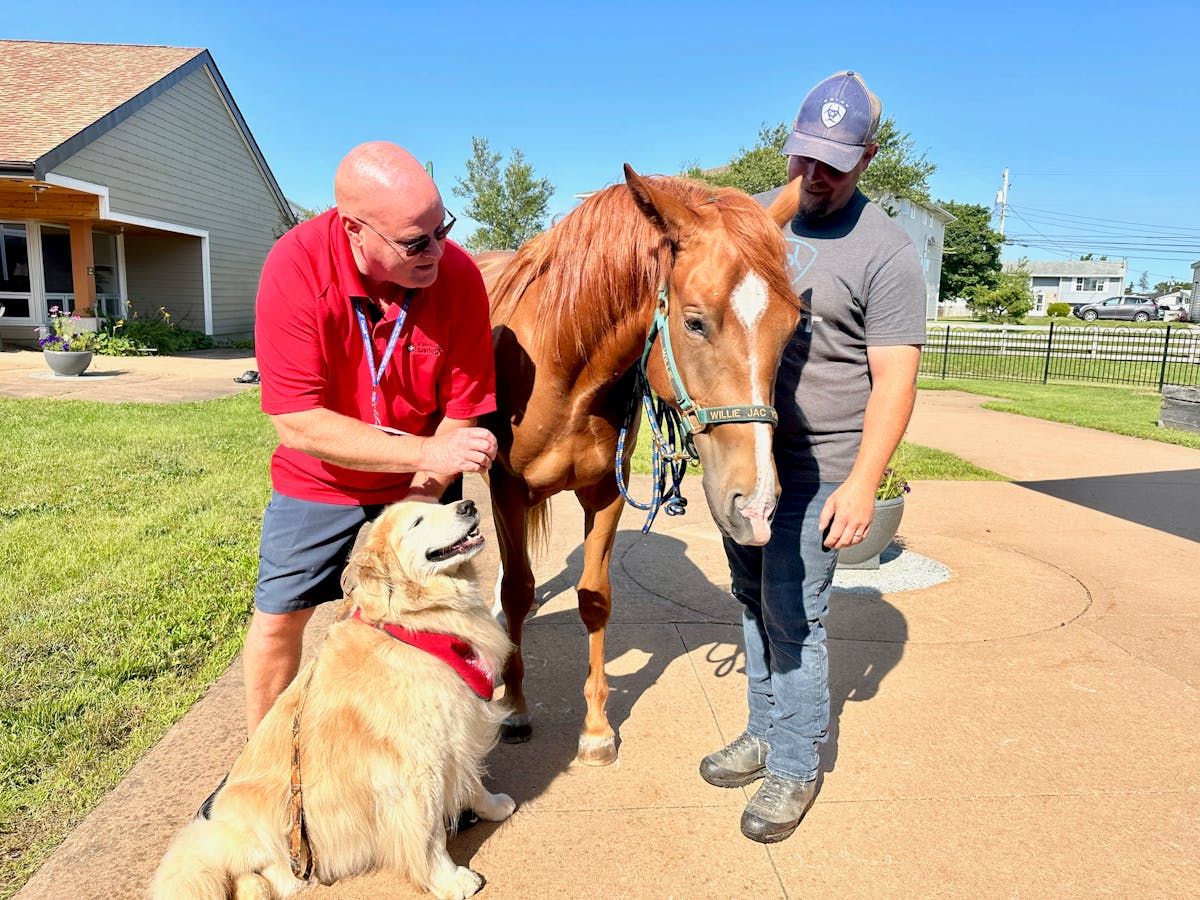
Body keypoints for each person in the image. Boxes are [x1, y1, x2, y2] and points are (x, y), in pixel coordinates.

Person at [700, 72, 927, 843]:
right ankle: (765, 730)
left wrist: (863, 484)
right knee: (752, 599)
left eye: (836, 160)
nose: (816, 175)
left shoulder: (887, 252)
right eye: (805, 157)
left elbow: (896, 379)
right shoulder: (767, 215)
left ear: (867, 156)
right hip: (747, 455)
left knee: (796, 616)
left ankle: (795, 763)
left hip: (821, 463)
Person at [244, 141, 498, 738]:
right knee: (281, 620)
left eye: (442, 228)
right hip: (320, 480)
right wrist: (425, 452)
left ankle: (431, 754)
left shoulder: (456, 276)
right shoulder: (296, 266)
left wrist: (420, 493)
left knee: (438, 619)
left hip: (421, 484)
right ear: (354, 230)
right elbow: (297, 420)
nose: (438, 250)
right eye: (416, 242)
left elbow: (460, 414)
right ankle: (261, 765)